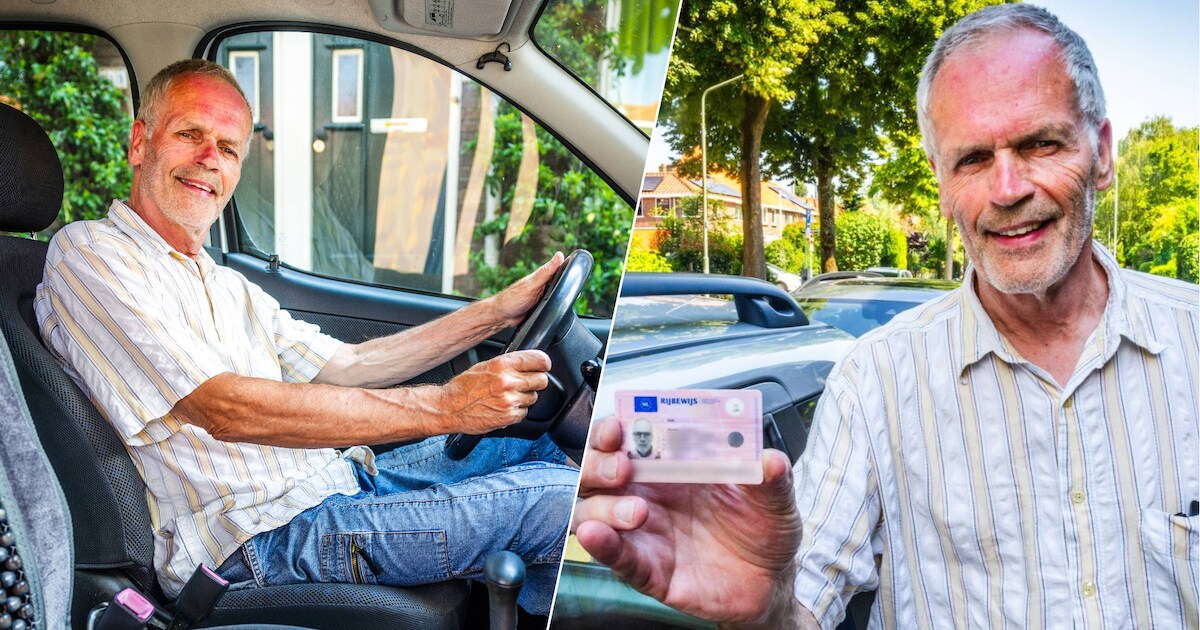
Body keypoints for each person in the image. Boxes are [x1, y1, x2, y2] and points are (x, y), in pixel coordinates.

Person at [573, 4, 1199, 629]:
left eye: (1040, 144)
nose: (1007, 189)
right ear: (941, 182)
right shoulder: (874, 381)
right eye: (972, 159)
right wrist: (766, 609)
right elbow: (802, 602)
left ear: (1103, 153)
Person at [35, 59, 576, 615]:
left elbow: (350, 364)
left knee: (545, 444)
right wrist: (448, 407)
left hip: (334, 485)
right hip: (254, 540)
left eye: (228, 148)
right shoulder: (91, 255)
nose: (209, 158)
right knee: (560, 504)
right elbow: (223, 408)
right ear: (139, 143)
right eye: (190, 134)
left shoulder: (224, 283)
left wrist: (495, 314)